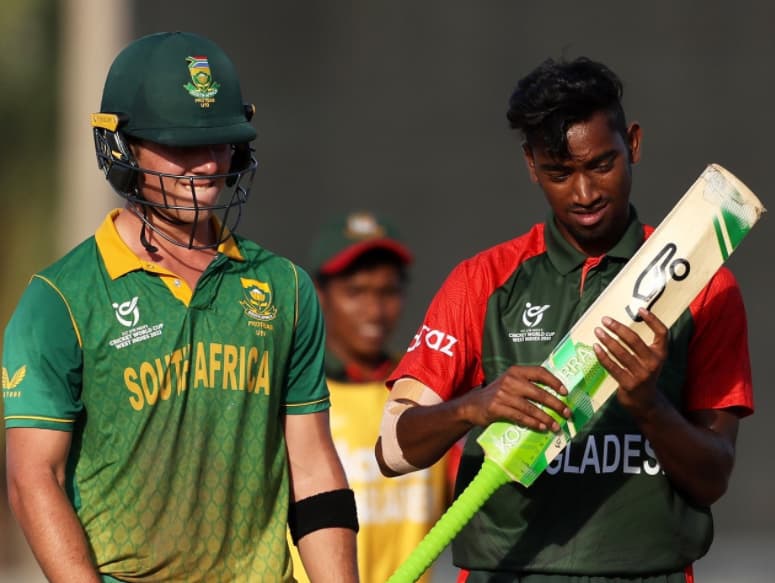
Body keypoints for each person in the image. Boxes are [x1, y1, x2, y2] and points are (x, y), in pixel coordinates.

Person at [375, 56, 753, 583]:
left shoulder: (706, 285)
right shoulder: (482, 280)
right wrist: (474, 408)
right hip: (504, 573)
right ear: (532, 165)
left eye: (602, 164)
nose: (585, 194)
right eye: (559, 173)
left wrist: (648, 405)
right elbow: (392, 449)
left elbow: (713, 478)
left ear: (634, 145)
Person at [2, 31, 358, 583]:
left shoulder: (282, 286)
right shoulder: (61, 300)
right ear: (119, 148)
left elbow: (311, 466)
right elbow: (32, 479)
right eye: (182, 147)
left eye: (221, 144)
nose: (210, 167)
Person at [290, 211, 454, 583]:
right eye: (356, 292)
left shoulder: (426, 388)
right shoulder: (291, 396)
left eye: (388, 292)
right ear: (320, 295)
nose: (375, 310)